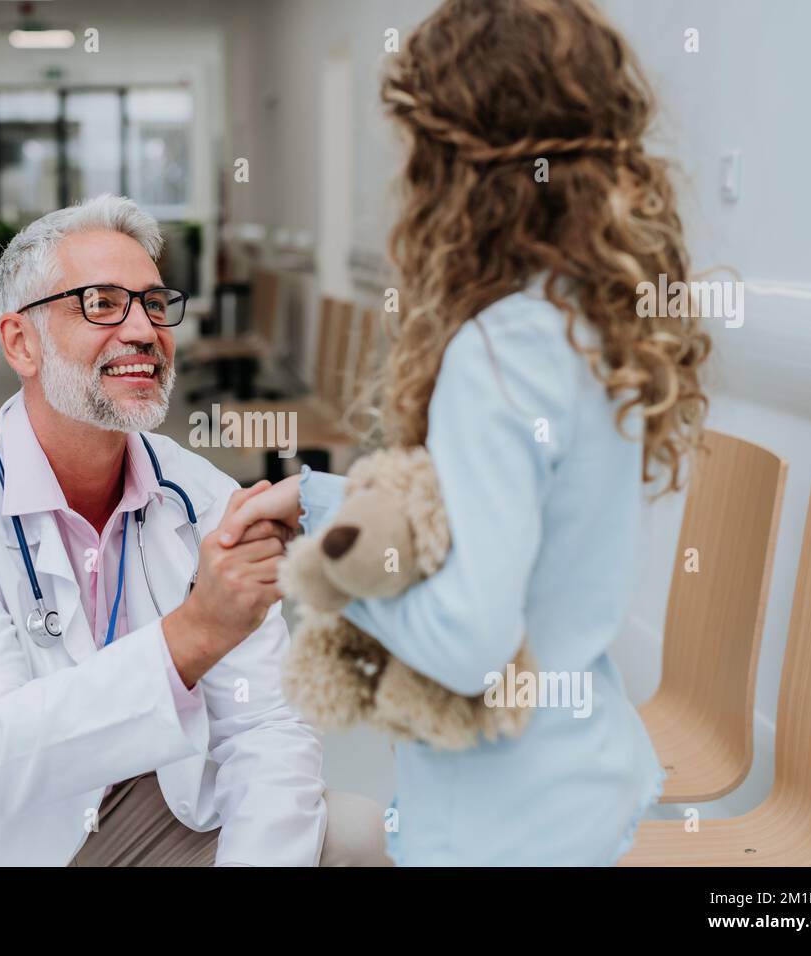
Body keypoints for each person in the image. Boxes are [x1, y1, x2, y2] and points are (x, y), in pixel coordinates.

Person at [217, 0, 711, 865]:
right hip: (584, 778)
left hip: (501, 823)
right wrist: (325, 498)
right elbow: (515, 545)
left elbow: (468, 643)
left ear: (457, 167)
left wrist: (335, 566)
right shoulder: (590, 325)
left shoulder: (500, 353)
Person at [0, 194, 389, 866]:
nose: (142, 330)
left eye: (154, 304)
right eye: (101, 303)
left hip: (140, 811)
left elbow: (264, 723)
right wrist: (196, 632)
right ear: (21, 343)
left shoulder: (205, 497)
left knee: (375, 840)